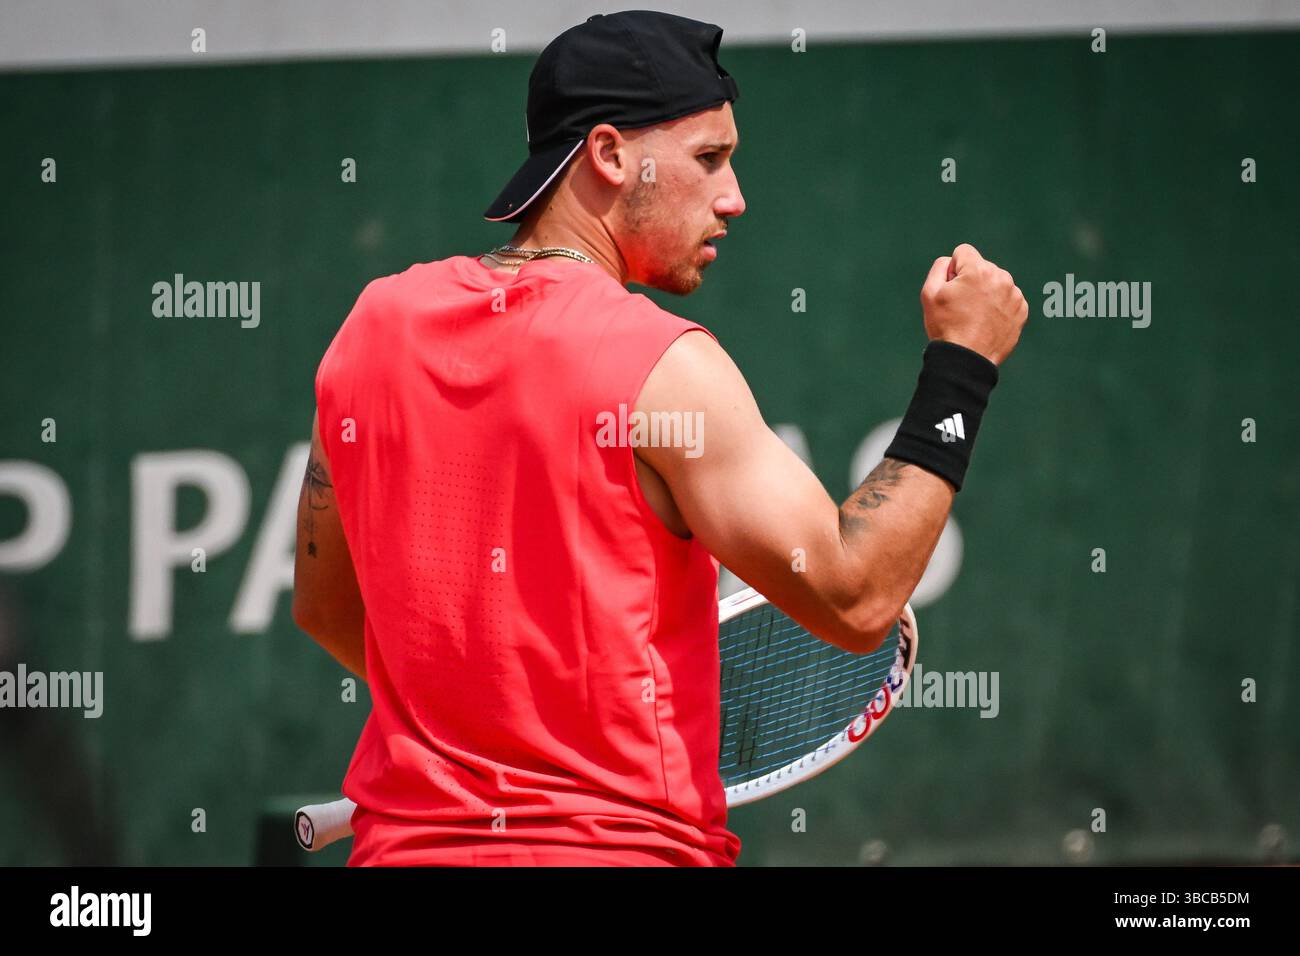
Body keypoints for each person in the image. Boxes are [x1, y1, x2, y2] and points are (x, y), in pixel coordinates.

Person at [292, 10, 1028, 867]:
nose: (735, 196)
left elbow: (328, 609)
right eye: (709, 157)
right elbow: (857, 598)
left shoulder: (370, 331)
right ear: (610, 154)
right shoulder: (663, 366)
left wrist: (490, 729)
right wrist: (962, 365)